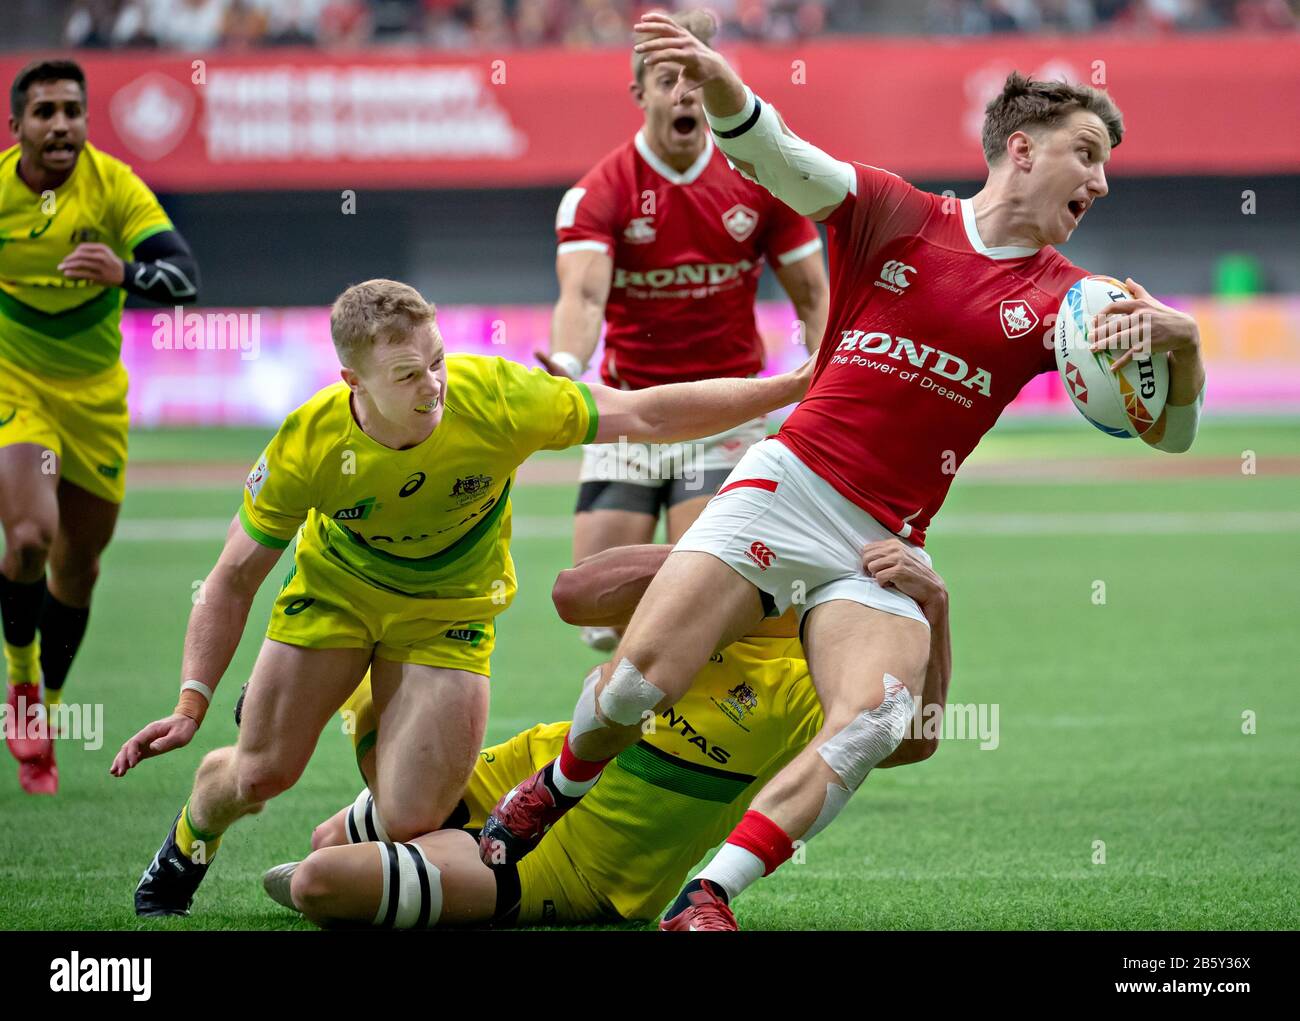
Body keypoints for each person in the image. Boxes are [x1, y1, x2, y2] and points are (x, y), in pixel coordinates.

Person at [480, 12, 1208, 930]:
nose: (1101, 181)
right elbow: (780, 155)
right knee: (640, 679)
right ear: (1021, 150)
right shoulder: (899, 212)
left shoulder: (1073, 302)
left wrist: (1184, 350)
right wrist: (719, 80)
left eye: (1105, 166)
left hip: (883, 544)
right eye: (1088, 154)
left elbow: (1169, 437)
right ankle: (549, 792)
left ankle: (707, 898)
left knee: (874, 721)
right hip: (789, 487)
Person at [110, 277, 810, 917]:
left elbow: (646, 415)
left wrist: (792, 386)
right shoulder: (310, 442)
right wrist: (192, 699)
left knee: (414, 814)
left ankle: (361, 698)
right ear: (352, 379)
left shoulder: (498, 398)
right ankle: (188, 840)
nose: (434, 386)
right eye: (408, 375)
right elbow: (233, 576)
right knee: (261, 772)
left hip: (450, 616)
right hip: (336, 600)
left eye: (437, 359)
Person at [258, 538, 950, 929]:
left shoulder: (807, 679)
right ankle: (426, 828)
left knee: (322, 880)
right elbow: (572, 593)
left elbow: (914, 739)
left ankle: (377, 736)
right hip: (524, 773)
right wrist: (719, 550)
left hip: (581, 867)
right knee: (326, 840)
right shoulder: (706, 595)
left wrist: (935, 607)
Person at [542, 9, 828, 651]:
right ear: (639, 93)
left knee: (700, 602)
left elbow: (814, 296)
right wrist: (565, 361)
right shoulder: (600, 192)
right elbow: (584, 295)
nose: (684, 94)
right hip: (630, 414)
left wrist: (827, 368)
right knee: (597, 617)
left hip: (727, 413)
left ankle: (694, 736)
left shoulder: (760, 182)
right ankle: (617, 720)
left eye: (696, 79)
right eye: (668, 80)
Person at [0, 58, 200, 794]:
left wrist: (126, 273)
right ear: (17, 125)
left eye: (73, 112)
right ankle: (21, 686)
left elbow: (185, 277)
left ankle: (47, 712)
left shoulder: (114, 187)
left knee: (77, 569)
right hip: (14, 386)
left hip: (95, 401)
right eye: (45, 112)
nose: (61, 125)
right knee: (27, 538)